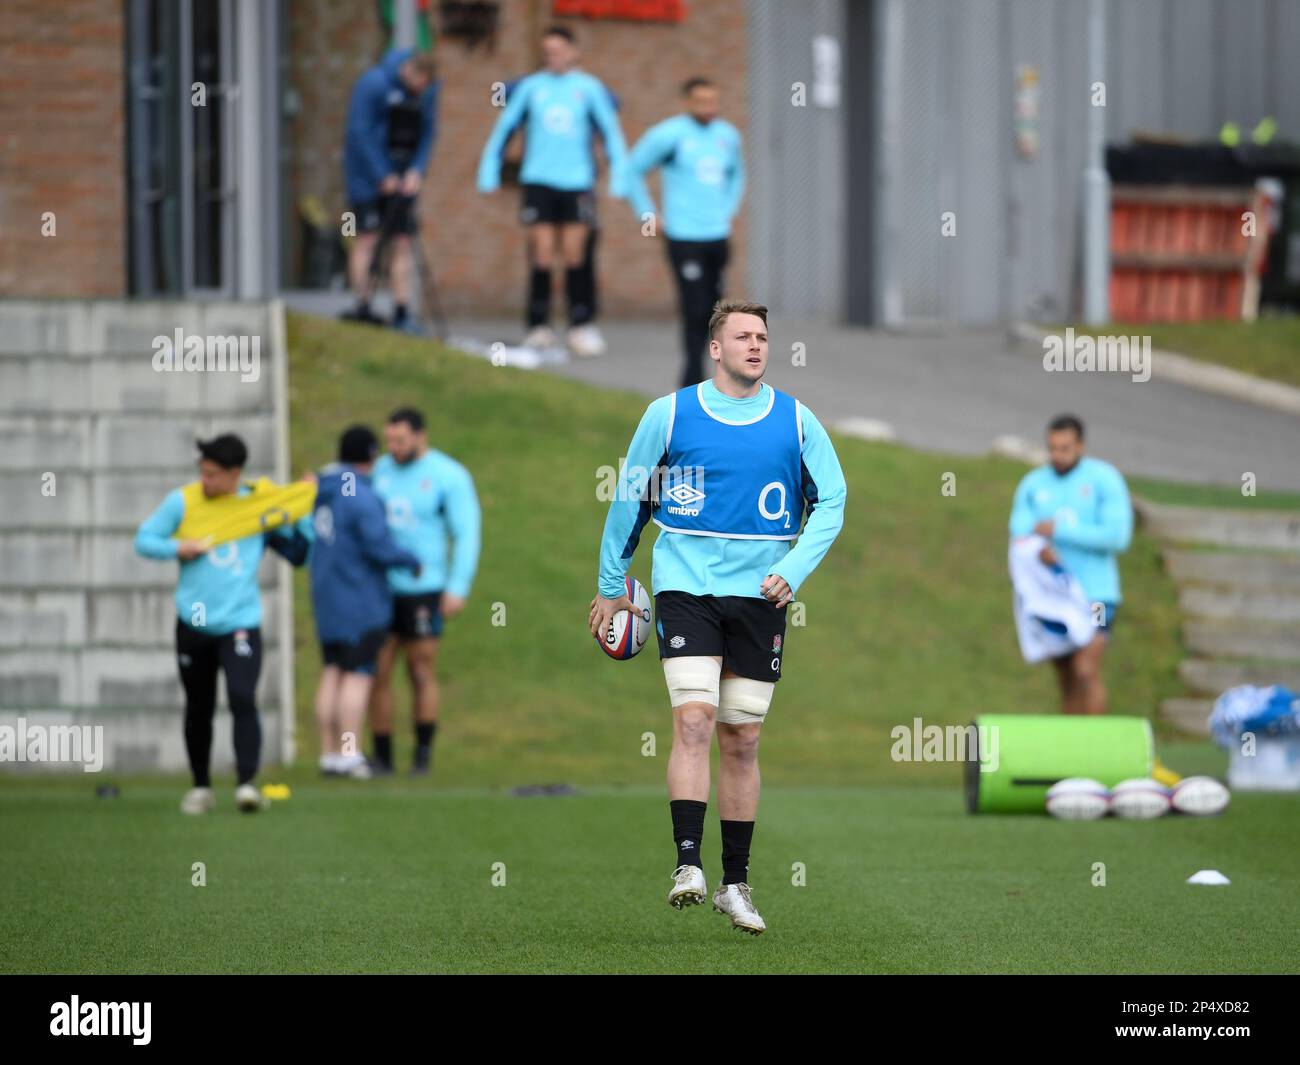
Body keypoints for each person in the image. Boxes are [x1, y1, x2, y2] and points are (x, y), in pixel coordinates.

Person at [588, 299, 846, 934]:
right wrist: (611, 586)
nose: (756, 345)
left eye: (762, 336)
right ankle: (687, 866)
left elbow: (833, 500)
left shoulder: (797, 421)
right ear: (716, 348)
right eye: (743, 336)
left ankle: (736, 884)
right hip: (687, 590)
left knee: (744, 737)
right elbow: (631, 500)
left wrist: (796, 568)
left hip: (760, 597)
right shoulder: (670, 414)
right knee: (696, 721)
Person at [134, 434, 312, 814]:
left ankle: (247, 785)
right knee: (199, 705)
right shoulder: (183, 501)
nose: (206, 481)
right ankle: (201, 787)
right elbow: (145, 539)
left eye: (213, 475)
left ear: (235, 474)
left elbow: (299, 553)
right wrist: (177, 548)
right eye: (202, 473)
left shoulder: (259, 507)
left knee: (243, 696)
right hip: (194, 622)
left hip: (240, 623)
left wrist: (305, 508)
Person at [476, 25, 627, 357]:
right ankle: (538, 325)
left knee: (575, 254)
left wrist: (620, 177)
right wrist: (488, 171)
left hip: (577, 184)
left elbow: (611, 132)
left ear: (573, 52)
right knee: (542, 253)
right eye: (547, 52)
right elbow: (504, 129)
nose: (553, 57)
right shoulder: (531, 88)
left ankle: (581, 325)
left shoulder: (589, 89)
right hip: (539, 181)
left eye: (559, 50)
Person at [369, 408, 481, 776]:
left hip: (424, 589)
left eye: (400, 440)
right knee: (378, 671)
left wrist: (457, 586)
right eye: (389, 441)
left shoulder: (448, 476)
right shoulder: (379, 472)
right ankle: (383, 758)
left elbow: (465, 533)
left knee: (420, 670)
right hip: (381, 588)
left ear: (420, 436)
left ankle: (422, 755)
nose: (394, 447)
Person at [309, 426, 422, 778]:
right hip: (357, 598)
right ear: (370, 456)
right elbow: (378, 545)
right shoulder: (358, 493)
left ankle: (329, 754)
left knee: (332, 673)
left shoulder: (323, 489)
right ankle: (350, 754)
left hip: (327, 598)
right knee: (357, 677)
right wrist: (410, 560)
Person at [1009, 414, 1133, 715]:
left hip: (1097, 595)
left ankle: (1097, 749)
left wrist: (1060, 532)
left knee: (1085, 670)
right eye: (1052, 448)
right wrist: (1039, 550)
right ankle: (1073, 753)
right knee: (1066, 676)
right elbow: (1019, 534)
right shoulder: (1033, 484)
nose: (1058, 455)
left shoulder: (1104, 479)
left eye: (1065, 448)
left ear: (1080, 445)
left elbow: (1117, 537)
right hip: (1054, 597)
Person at [626, 77, 745, 387]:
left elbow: (736, 175)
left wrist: (729, 211)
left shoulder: (727, 136)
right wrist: (649, 215)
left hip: (717, 236)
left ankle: (715, 373)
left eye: (713, 101)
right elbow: (632, 171)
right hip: (683, 236)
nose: (709, 108)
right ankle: (692, 378)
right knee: (693, 307)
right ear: (687, 103)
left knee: (715, 309)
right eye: (702, 102)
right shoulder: (669, 135)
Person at [341, 48, 439, 332]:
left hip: (403, 178)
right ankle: (363, 305)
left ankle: (401, 311)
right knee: (367, 238)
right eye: (419, 84)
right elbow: (359, 132)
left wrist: (416, 170)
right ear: (409, 71)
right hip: (366, 180)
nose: (421, 91)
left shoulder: (427, 92)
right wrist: (381, 174)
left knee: (403, 241)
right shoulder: (373, 83)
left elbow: (428, 133)